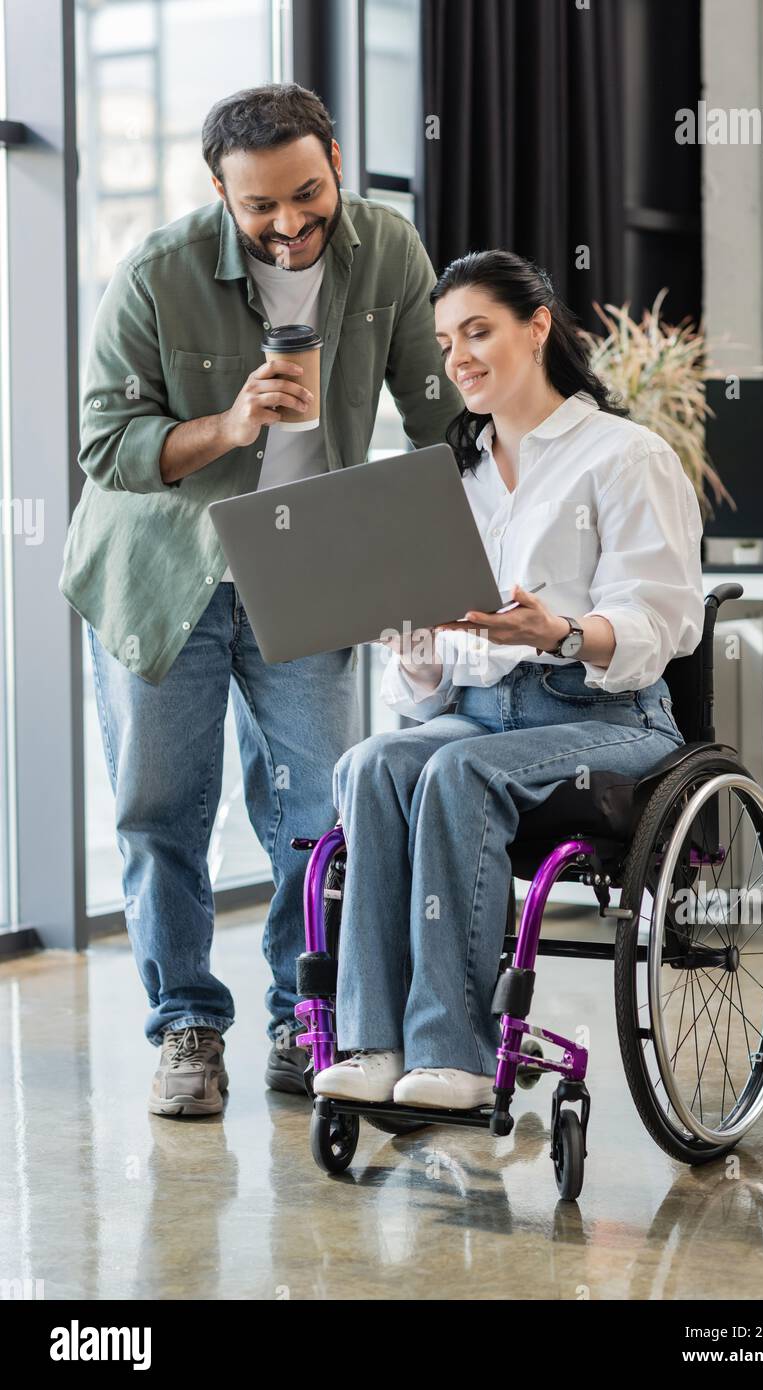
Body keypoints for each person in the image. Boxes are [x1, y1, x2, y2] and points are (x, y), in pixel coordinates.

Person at [58, 83, 461, 1117]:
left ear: (335, 155)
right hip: (166, 575)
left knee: (317, 813)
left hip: (309, 565)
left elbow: (440, 421)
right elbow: (105, 443)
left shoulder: (389, 253)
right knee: (162, 812)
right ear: (219, 195)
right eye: (259, 209)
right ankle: (187, 1022)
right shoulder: (158, 270)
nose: (288, 226)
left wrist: (468, 561)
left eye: (308, 194)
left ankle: (302, 1013)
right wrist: (230, 426)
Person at [313, 249, 706, 1111]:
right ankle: (373, 1042)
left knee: (457, 771)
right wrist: (411, 647)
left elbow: (667, 621)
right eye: (446, 340)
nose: (457, 357)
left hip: (607, 715)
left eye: (477, 331)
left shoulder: (624, 455)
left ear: (536, 329)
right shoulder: (452, 477)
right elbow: (431, 689)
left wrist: (559, 632)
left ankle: (453, 1051)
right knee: (373, 764)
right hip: (480, 713)